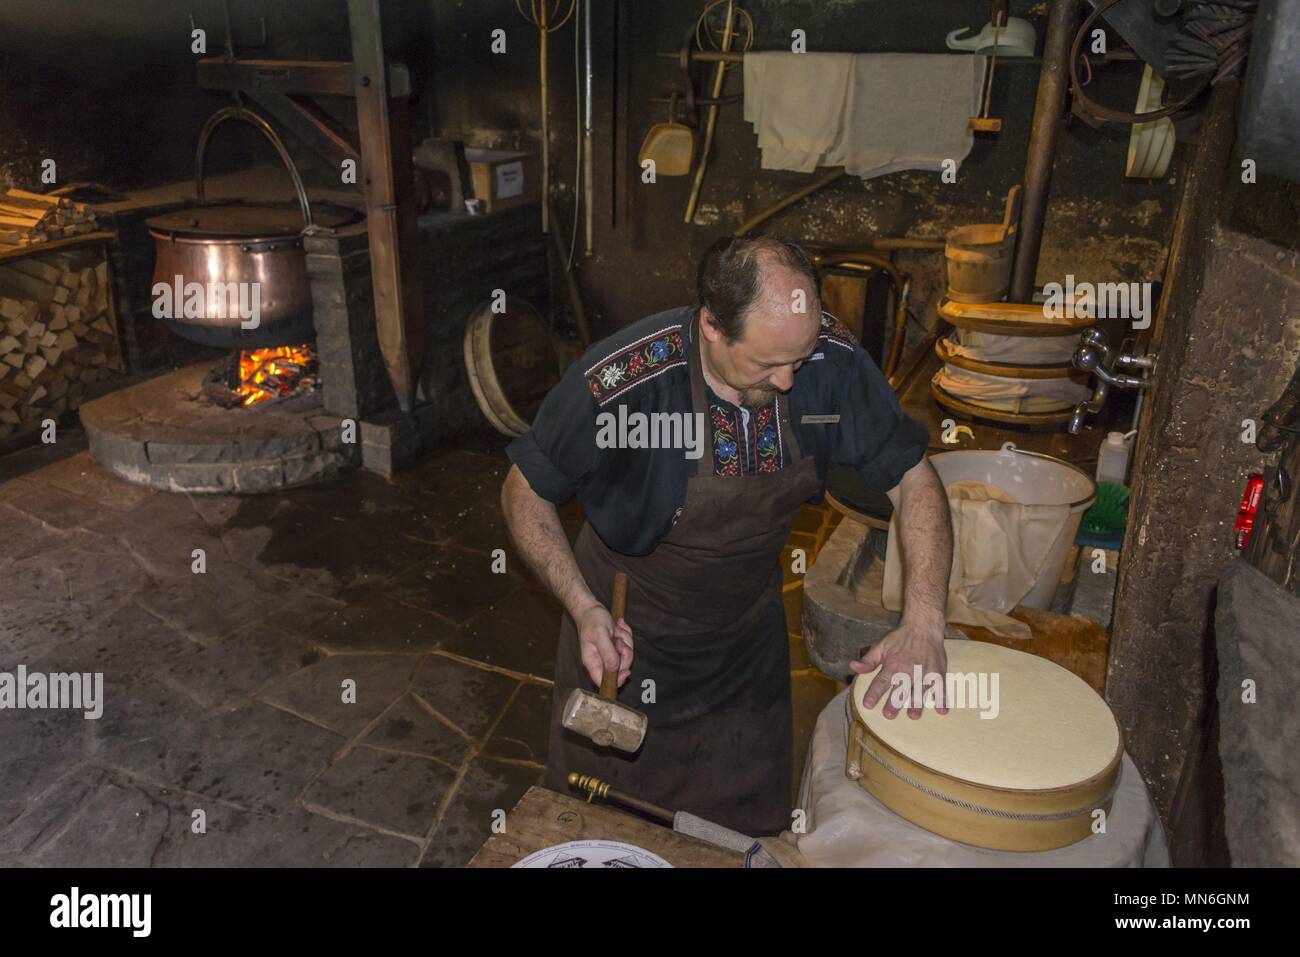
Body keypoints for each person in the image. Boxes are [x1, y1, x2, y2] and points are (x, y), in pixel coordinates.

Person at [501, 236, 953, 834]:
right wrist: (583, 608)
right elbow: (523, 490)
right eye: (766, 365)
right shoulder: (625, 380)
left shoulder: (830, 364)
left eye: (799, 356)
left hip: (744, 656)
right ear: (711, 325)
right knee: (606, 832)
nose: (790, 381)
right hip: (628, 639)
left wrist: (924, 622)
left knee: (737, 840)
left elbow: (916, 481)